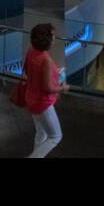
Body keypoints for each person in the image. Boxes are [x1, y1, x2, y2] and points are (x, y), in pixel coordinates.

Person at [21, 23, 69, 158]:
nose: (54, 38)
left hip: (31, 98)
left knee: (41, 132)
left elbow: (28, 72)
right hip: (43, 103)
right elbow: (48, 88)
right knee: (55, 136)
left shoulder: (31, 51)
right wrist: (63, 87)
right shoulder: (45, 59)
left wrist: (54, 73)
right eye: (53, 36)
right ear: (47, 39)